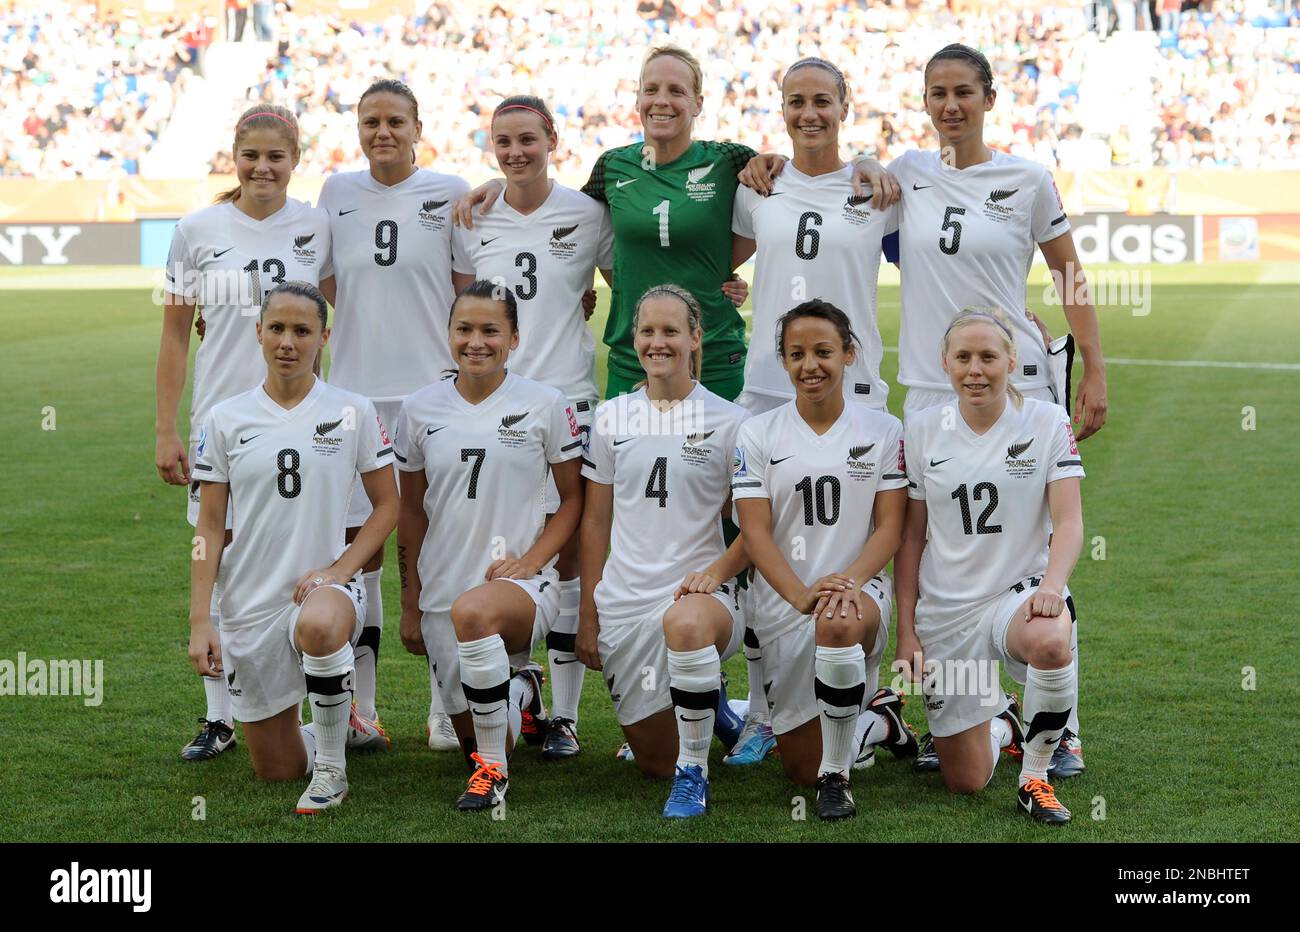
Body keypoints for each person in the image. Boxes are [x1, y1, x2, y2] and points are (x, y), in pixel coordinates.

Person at [882, 43, 1106, 778]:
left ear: (989, 98)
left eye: (963, 93)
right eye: (937, 93)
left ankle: (1061, 721)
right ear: (924, 103)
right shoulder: (906, 173)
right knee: (942, 542)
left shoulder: (1027, 178)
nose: (951, 105)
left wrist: (1095, 370)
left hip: (1016, 380)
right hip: (927, 383)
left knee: (1039, 546)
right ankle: (974, 708)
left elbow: (1068, 272)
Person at [726, 58, 900, 766]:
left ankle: (873, 695)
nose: (809, 114)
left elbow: (940, 264)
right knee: (759, 550)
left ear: (845, 105)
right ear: (782, 108)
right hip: (769, 387)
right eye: (796, 102)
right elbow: (718, 262)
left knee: (859, 543)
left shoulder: (880, 188)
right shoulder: (758, 187)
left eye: (822, 101)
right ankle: (764, 709)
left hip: (856, 390)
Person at [156, 104, 334, 762]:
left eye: (276, 156)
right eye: (251, 155)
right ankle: (219, 714)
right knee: (220, 558)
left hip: (301, 420)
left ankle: (326, 711)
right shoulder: (198, 228)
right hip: (220, 426)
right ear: (234, 156)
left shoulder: (317, 227)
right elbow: (175, 335)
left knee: (306, 557)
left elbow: (342, 309)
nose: (263, 167)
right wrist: (164, 428)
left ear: (296, 158)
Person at [188, 281, 398, 814]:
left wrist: (339, 570)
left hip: (322, 590)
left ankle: (331, 770)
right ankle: (337, 722)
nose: (288, 341)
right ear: (258, 332)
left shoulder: (352, 410)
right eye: (277, 328)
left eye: (302, 330)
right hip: (249, 604)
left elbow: (387, 506)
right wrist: (199, 621)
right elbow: (210, 528)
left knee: (323, 624)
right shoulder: (225, 419)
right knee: (275, 769)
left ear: (323, 337)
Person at [450, 94, 613, 761]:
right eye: (503, 142)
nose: (515, 153)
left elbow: (620, 284)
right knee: (500, 543)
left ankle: (565, 716)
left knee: (567, 550)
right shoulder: (473, 215)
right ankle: (517, 684)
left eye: (527, 139)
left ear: (553, 138)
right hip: (496, 406)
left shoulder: (587, 213)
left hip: (569, 399)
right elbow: (465, 311)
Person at [454, 45, 753, 401]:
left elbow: (771, 203)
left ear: (698, 103)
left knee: (714, 456)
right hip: (633, 356)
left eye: (676, 91)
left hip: (713, 353)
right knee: (630, 456)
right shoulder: (612, 166)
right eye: (651, 89)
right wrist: (501, 184)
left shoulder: (730, 159)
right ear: (638, 98)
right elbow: (556, 210)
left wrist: (719, 272)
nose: (661, 100)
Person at [317, 79, 470, 752]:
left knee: (436, 546)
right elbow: (326, 286)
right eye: (371, 121)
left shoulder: (450, 190)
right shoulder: (336, 192)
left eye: (395, 121)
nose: (383, 131)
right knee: (362, 552)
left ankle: (446, 703)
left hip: (430, 394)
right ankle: (364, 708)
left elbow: (466, 293)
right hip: (352, 397)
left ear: (417, 127)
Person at [393, 281, 585, 811]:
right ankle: (523, 689)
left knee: (475, 620)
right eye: (464, 329)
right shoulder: (417, 409)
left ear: (514, 338)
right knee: (477, 736)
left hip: (518, 585)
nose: (476, 342)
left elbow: (573, 500)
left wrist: (533, 560)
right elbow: (409, 512)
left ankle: (494, 777)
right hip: (443, 587)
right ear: (448, 334)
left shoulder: (545, 404)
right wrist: (410, 602)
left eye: (490, 330)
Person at [894, 307, 1083, 824]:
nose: (975, 370)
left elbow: (1068, 523)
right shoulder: (923, 429)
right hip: (948, 609)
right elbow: (911, 538)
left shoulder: (1046, 421)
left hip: (1018, 593)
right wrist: (907, 631)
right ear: (945, 363)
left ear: (1011, 360)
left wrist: (1053, 585)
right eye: (963, 358)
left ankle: (1035, 779)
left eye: (987, 357)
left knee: (1049, 638)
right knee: (965, 780)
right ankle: (1002, 722)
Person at [732, 300, 917, 821]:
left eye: (823, 352)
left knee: (836, 622)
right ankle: (880, 722)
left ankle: (835, 783)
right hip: (784, 601)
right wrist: (799, 595)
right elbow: (755, 530)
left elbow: (891, 528)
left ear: (849, 354)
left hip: (858, 595)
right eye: (796, 354)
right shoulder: (758, 433)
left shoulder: (883, 430)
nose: (810, 365)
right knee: (798, 765)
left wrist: (849, 582)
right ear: (783, 362)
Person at [576, 284, 750, 818]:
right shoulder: (612, 417)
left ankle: (693, 776)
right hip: (625, 601)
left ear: (696, 338)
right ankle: (713, 707)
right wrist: (587, 613)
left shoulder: (731, 422)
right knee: (652, 760)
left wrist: (716, 572)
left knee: (689, 629)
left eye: (671, 331)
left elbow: (757, 530)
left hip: (699, 598)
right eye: (647, 331)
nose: (658, 342)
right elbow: (595, 519)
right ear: (634, 340)